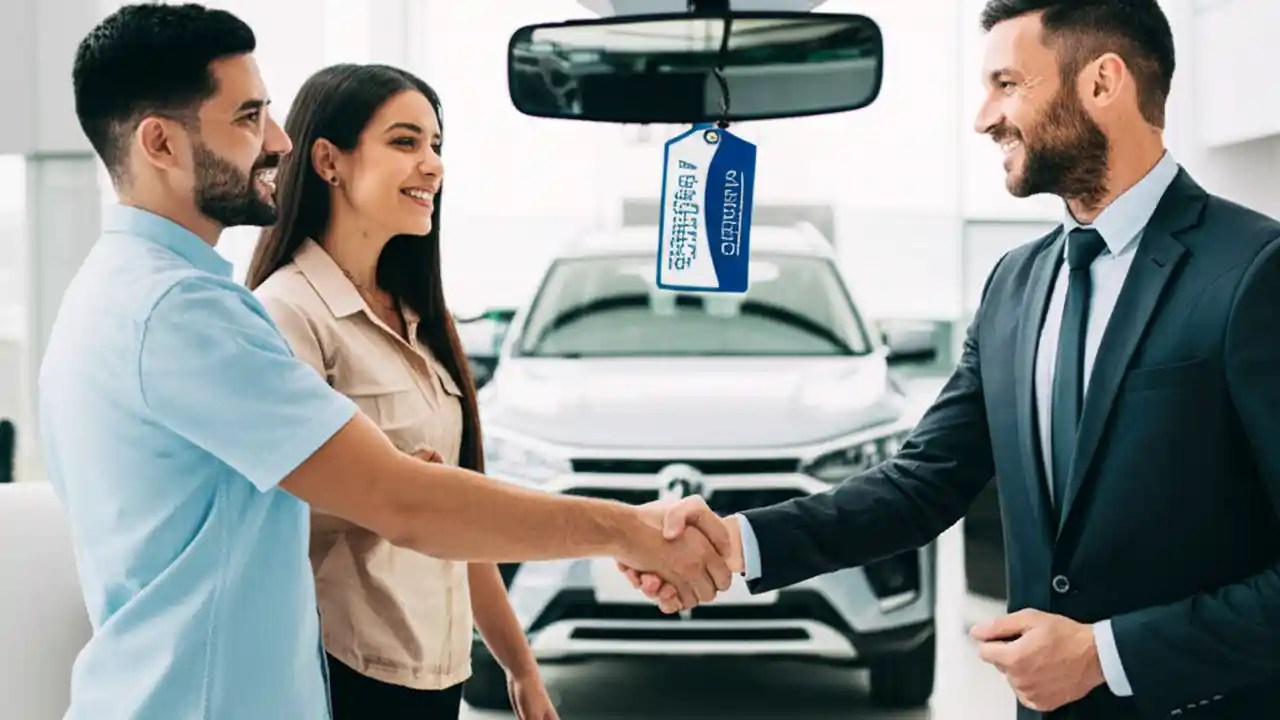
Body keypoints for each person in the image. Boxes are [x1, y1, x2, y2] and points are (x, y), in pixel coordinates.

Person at [42, 5, 730, 719]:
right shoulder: (185, 315)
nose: (278, 140)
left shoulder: (113, 292)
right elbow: (403, 503)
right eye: (248, 118)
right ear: (160, 143)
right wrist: (630, 530)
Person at [627, 1, 1280, 718]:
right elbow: (922, 484)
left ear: (1103, 83)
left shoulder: (1255, 271)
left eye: (1008, 83)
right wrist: (737, 541)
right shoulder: (1015, 283)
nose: (984, 118)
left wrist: (1106, 656)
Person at [245, 63, 554, 720]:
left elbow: (462, 524)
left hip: (437, 674)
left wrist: (519, 668)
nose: (433, 165)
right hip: (340, 668)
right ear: (329, 160)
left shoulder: (423, 322)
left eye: (436, 146)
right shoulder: (289, 313)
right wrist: (389, 491)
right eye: (406, 142)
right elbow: (269, 511)